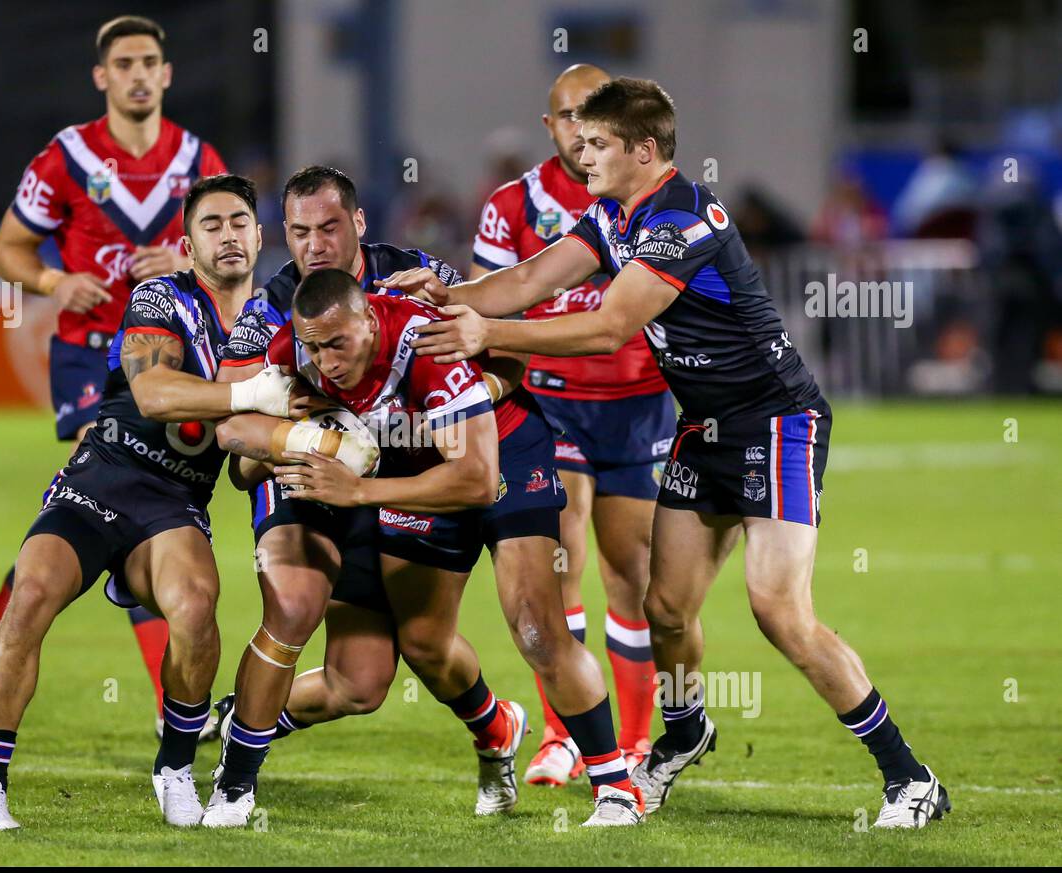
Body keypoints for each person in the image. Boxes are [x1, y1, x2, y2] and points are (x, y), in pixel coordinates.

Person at [380, 76, 949, 829]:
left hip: (774, 423)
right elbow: (527, 281)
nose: (582, 155)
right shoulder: (612, 215)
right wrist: (447, 295)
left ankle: (909, 777)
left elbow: (610, 328)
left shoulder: (678, 220)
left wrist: (490, 335)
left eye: (599, 144)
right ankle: (684, 733)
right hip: (703, 428)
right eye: (578, 142)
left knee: (779, 612)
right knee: (665, 608)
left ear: (643, 150)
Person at [211, 270, 648, 829]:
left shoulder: (420, 345)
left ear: (368, 320)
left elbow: (476, 480)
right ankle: (497, 735)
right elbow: (234, 436)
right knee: (422, 641)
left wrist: (360, 490)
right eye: (314, 347)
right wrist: (291, 437)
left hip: (503, 456)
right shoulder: (297, 349)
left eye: (337, 344)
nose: (326, 361)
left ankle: (614, 787)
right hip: (417, 474)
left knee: (536, 626)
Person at [0, 174, 296, 830]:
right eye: (211, 226)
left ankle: (174, 766)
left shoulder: (281, 326)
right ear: (187, 244)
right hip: (101, 478)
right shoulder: (160, 296)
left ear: (260, 237)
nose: (227, 236)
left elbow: (246, 461)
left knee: (198, 610)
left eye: (238, 223)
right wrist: (254, 396)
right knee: (30, 593)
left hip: (173, 502)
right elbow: (153, 394)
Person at [205, 166, 532, 827]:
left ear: (357, 224)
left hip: (415, 479)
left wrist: (457, 405)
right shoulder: (275, 310)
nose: (315, 245)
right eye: (299, 232)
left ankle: (497, 724)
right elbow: (236, 425)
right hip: (321, 479)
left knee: (404, 658)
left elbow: (507, 351)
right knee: (293, 608)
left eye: (329, 227)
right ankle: (236, 776)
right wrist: (296, 437)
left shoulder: (415, 281)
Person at [0, 15, 228, 744]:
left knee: (101, 514)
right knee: (122, 501)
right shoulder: (65, 157)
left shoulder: (199, 159)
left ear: (166, 74)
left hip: (170, 357)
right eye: (122, 63)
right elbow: (8, 248)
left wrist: (189, 265)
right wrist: (53, 279)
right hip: (91, 353)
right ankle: (170, 705)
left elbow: (233, 257)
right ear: (102, 76)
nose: (136, 74)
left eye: (149, 62)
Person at [472, 63, 672, 785]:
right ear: (549, 125)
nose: (581, 130)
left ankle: (642, 738)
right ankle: (565, 736)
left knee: (636, 577)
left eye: (594, 115)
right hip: (552, 399)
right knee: (564, 555)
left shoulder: (643, 195)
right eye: (567, 117)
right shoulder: (514, 204)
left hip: (639, 402)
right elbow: (497, 303)